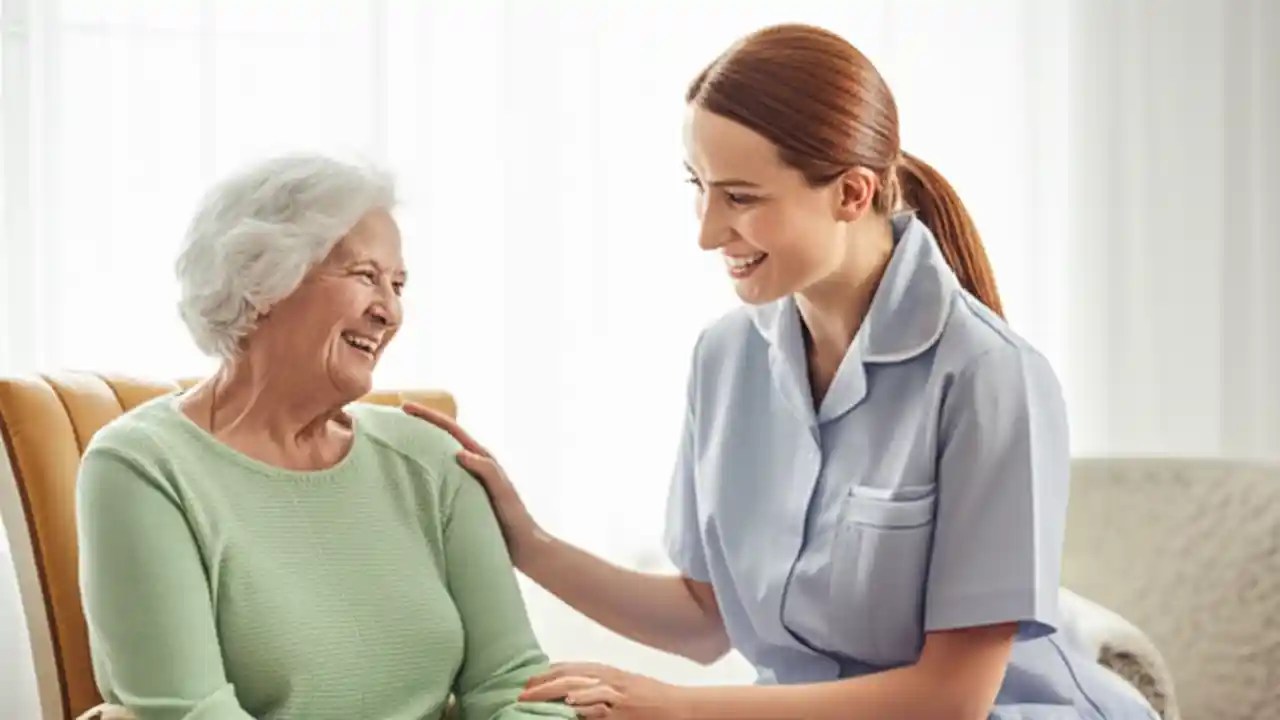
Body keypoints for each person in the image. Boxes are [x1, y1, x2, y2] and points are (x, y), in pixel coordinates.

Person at [404, 24, 1158, 720]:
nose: (706, 232)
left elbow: (951, 698)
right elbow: (706, 620)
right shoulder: (725, 360)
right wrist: (526, 541)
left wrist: (681, 709)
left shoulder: (989, 376)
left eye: (740, 198)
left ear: (852, 193)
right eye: (697, 187)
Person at [74, 155, 582, 720]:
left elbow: (515, 686)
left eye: (398, 284)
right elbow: (193, 713)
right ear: (261, 279)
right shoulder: (142, 467)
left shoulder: (431, 459)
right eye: (366, 275)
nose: (390, 311)